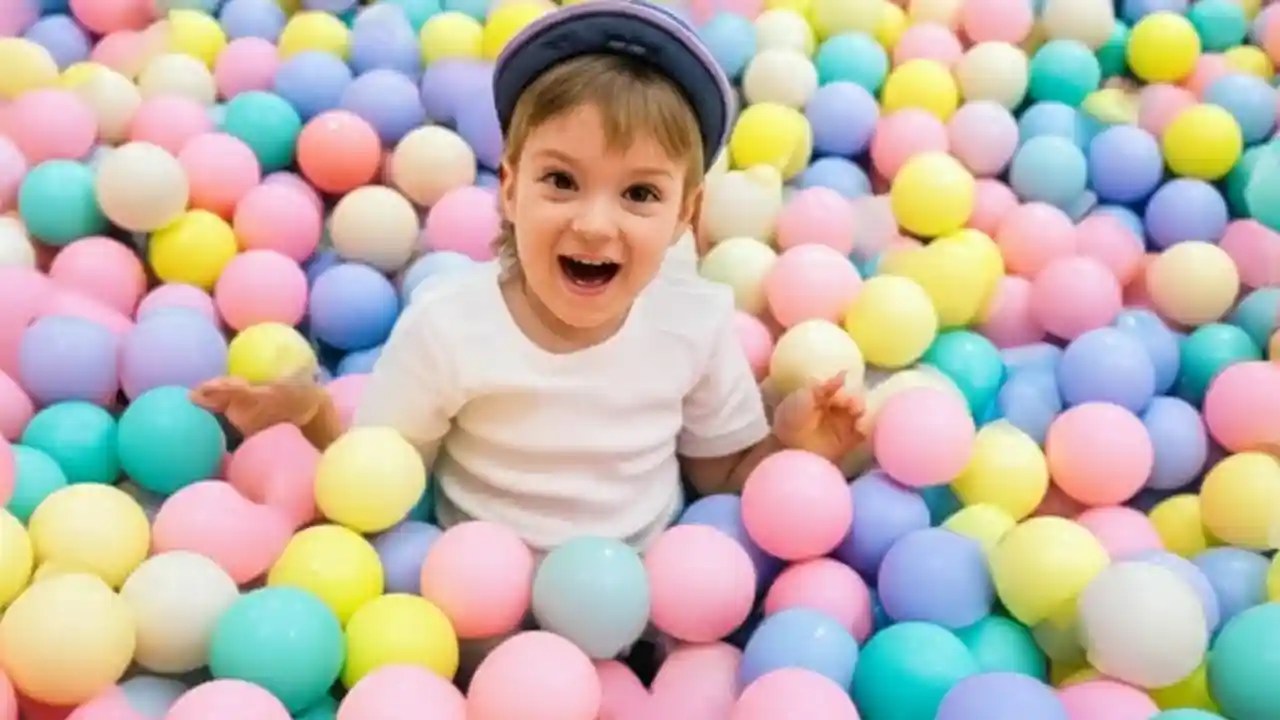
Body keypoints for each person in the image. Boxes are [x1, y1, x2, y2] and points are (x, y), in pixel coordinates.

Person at [192, 0, 866, 557]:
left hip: (648, 596)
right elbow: (379, 478)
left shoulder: (694, 320)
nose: (595, 224)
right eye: (561, 181)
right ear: (510, 191)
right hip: (475, 603)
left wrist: (791, 447)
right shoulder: (448, 324)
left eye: (639, 194)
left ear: (685, 217)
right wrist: (311, 414)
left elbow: (718, 476)